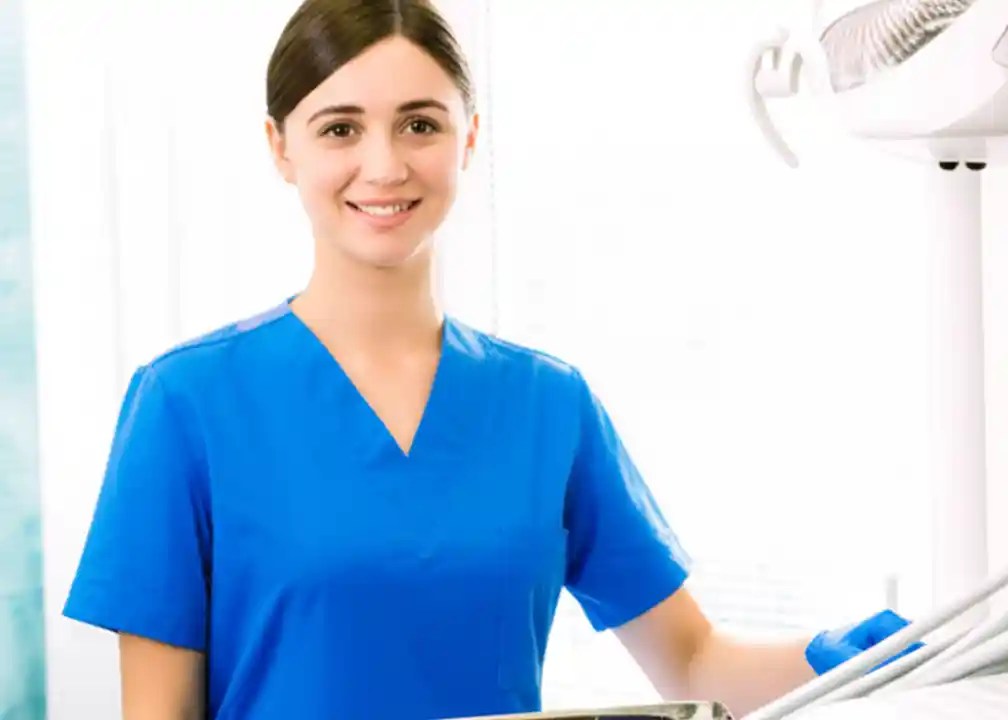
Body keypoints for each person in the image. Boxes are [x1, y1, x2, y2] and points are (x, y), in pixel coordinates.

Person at [61, 1, 921, 718]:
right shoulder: (186, 404)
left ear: (468, 139)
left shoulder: (547, 404)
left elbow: (693, 662)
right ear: (281, 147)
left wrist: (830, 660)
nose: (384, 164)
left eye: (420, 124)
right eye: (340, 127)